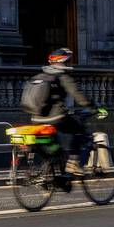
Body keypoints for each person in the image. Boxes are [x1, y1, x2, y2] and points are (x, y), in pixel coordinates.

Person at [27, 47, 95, 175]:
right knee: (79, 129)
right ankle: (73, 164)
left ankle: (49, 174)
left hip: (36, 118)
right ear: (63, 61)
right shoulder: (62, 76)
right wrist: (92, 107)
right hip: (54, 117)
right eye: (68, 61)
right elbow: (78, 94)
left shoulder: (41, 75)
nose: (70, 64)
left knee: (54, 148)